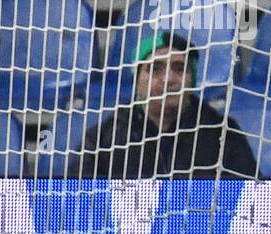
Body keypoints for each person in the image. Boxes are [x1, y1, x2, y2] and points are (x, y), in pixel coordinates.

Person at [77, 32, 258, 179]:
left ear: (191, 81)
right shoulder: (101, 140)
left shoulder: (224, 135)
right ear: (137, 81)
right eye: (155, 68)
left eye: (179, 69)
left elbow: (251, 205)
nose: (168, 79)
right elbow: (80, 208)